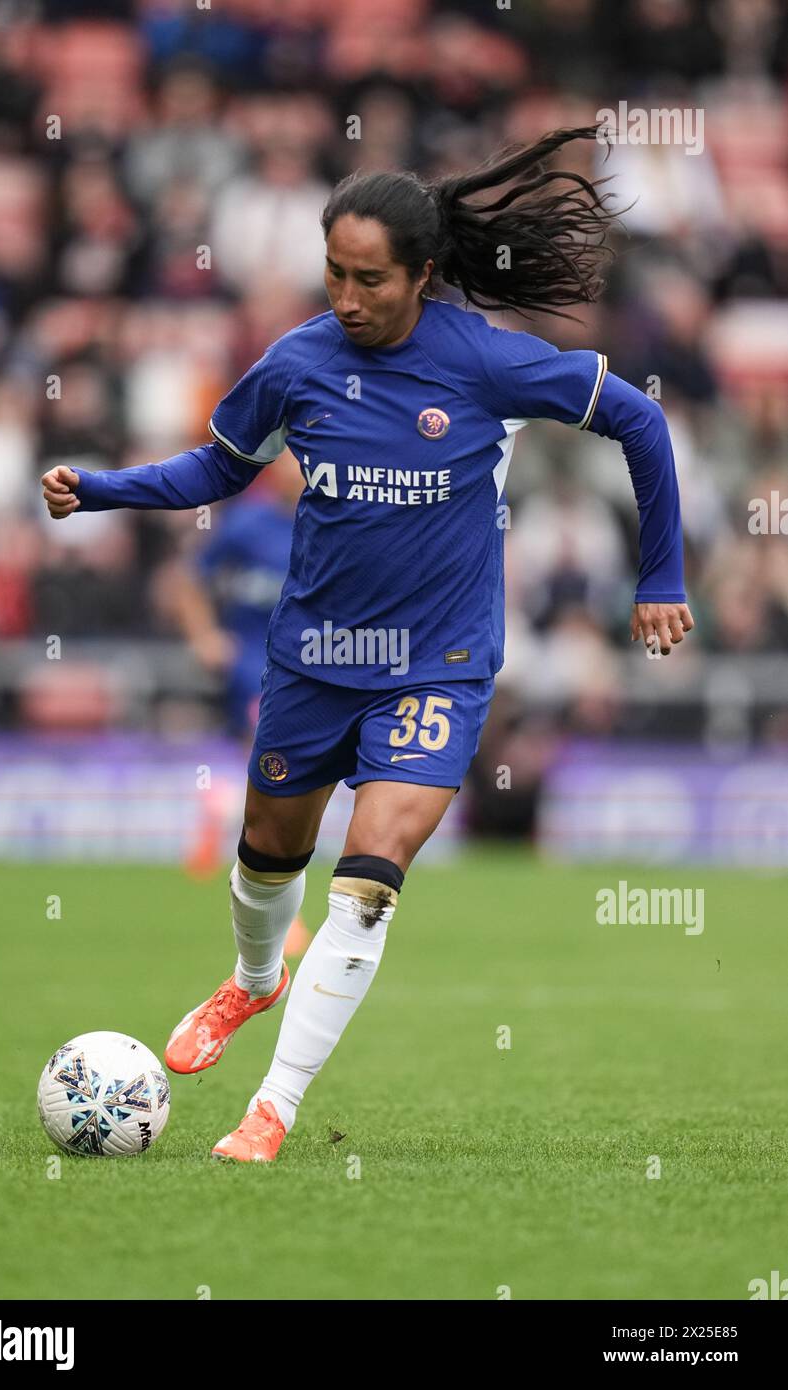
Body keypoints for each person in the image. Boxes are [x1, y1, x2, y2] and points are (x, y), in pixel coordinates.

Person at [41, 126, 694, 1163]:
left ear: (424, 275)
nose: (347, 297)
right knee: (268, 859)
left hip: (438, 661)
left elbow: (640, 424)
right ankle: (254, 982)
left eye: (370, 280)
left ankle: (276, 1106)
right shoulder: (295, 364)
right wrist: (102, 490)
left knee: (369, 873)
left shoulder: (483, 360)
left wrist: (659, 576)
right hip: (312, 661)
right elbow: (217, 470)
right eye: (334, 274)